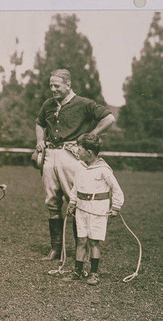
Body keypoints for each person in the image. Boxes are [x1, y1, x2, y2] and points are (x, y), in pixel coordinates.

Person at [35, 69, 115, 261]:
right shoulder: (48, 104)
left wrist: (91, 136)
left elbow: (109, 118)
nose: (53, 89)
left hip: (71, 155)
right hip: (49, 155)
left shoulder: (84, 103)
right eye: (51, 85)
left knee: (77, 201)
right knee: (52, 202)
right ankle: (56, 249)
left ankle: (82, 250)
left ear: (68, 85)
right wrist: (39, 141)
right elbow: (39, 123)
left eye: (57, 85)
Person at [66, 133, 124, 285]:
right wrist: (72, 202)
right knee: (81, 240)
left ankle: (94, 273)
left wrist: (116, 206)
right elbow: (75, 187)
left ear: (89, 152)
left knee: (94, 241)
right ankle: (77, 271)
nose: (77, 151)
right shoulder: (79, 167)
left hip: (98, 209)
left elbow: (116, 189)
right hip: (81, 208)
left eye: (79, 149)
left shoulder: (104, 169)